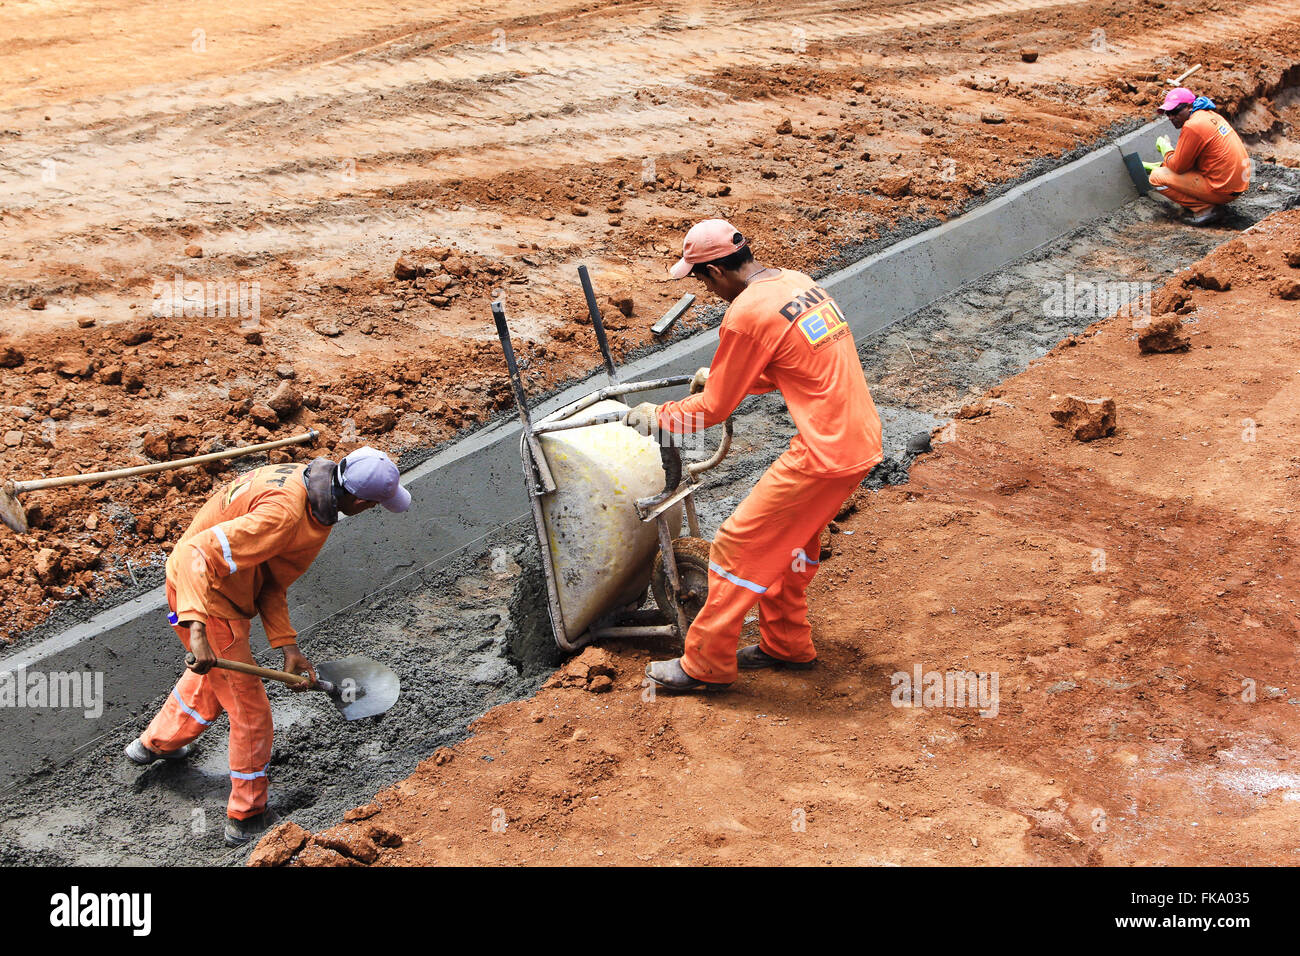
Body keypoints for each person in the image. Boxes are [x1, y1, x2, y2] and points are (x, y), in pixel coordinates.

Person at [625, 219, 883, 692]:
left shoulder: (745, 312)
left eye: (702, 281)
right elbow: (790, 362)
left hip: (823, 454)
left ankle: (704, 666)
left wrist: (657, 416)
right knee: (793, 545)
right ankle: (786, 644)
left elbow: (713, 409)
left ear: (717, 274)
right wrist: (728, 374)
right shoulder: (797, 283)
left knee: (735, 547)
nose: (707, 290)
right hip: (859, 441)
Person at [124, 447, 411, 846]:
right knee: (250, 709)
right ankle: (247, 814)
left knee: (217, 678)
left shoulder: (311, 487)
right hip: (204, 599)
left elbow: (269, 576)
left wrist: (287, 645)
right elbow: (193, 554)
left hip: (223, 592)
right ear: (361, 502)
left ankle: (154, 744)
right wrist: (197, 627)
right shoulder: (285, 514)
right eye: (377, 505)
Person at [1148, 87, 1250, 225]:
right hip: (1239, 181)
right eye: (1168, 113)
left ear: (1189, 107)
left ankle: (1205, 210)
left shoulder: (1192, 126)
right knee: (1168, 166)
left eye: (1175, 112)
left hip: (1223, 188)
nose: (1171, 117)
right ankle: (1209, 200)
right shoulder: (1209, 115)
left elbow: (1178, 167)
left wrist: (1166, 149)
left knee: (1156, 177)